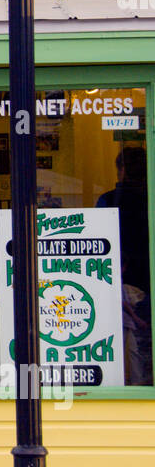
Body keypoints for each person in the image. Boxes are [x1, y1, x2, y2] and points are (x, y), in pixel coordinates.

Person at [97, 145, 151, 383]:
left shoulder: (108, 200)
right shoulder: (147, 200)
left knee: (125, 348)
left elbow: (97, 243)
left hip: (120, 283)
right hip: (142, 281)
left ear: (121, 170)